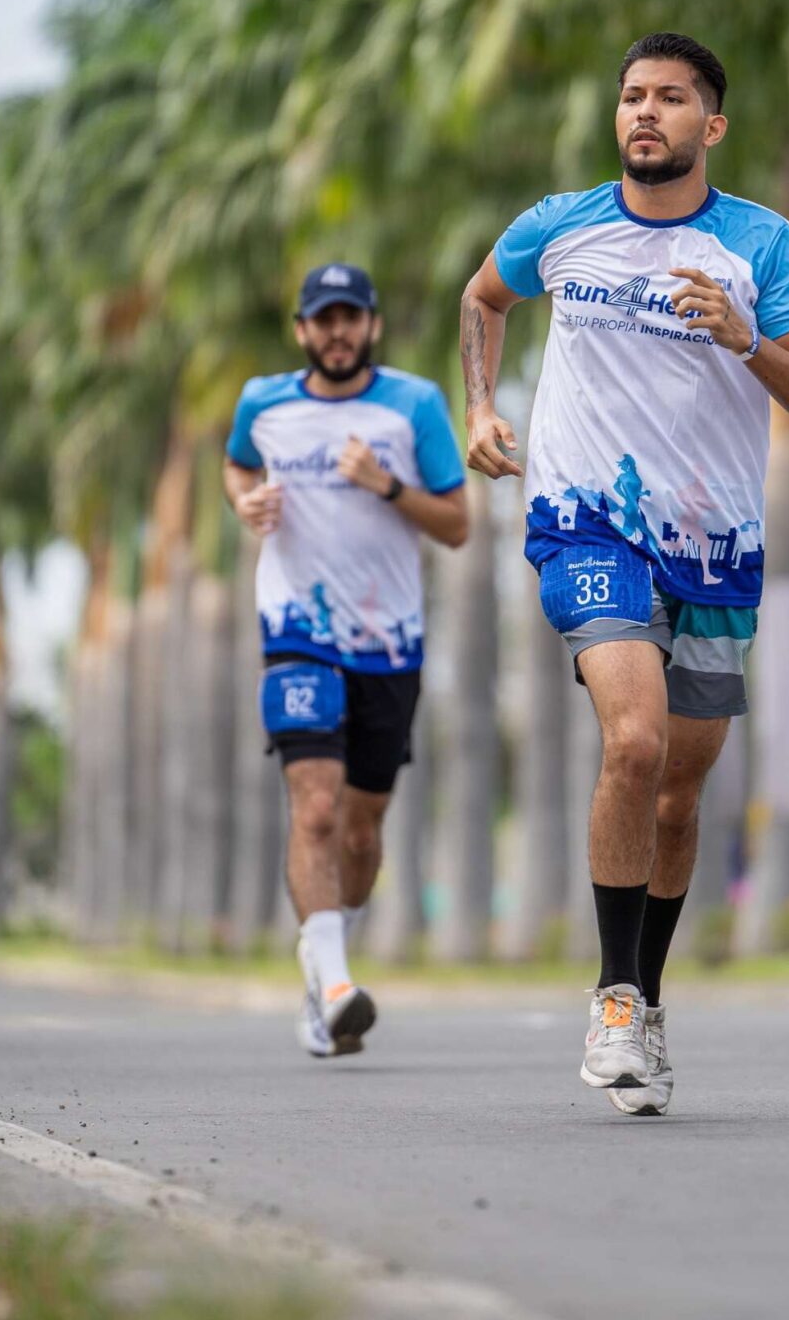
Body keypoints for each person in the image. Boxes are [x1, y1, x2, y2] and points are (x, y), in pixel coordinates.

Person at [459, 32, 789, 1113]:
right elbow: (482, 297)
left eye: (670, 99)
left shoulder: (759, 248)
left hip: (714, 547)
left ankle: (650, 997)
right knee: (630, 740)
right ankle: (615, 997)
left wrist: (742, 338)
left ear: (709, 127)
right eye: (631, 96)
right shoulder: (560, 226)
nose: (645, 114)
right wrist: (481, 405)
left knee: (679, 795)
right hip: (586, 526)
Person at [223, 263, 468, 1057]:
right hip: (296, 629)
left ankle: (327, 959)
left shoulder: (414, 405)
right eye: (322, 319)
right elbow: (237, 462)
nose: (337, 332)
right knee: (317, 807)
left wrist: (386, 485)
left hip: (389, 642)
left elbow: (458, 524)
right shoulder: (263, 403)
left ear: (372, 326)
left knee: (361, 830)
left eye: (350, 318)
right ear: (301, 330)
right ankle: (332, 989)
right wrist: (243, 498)